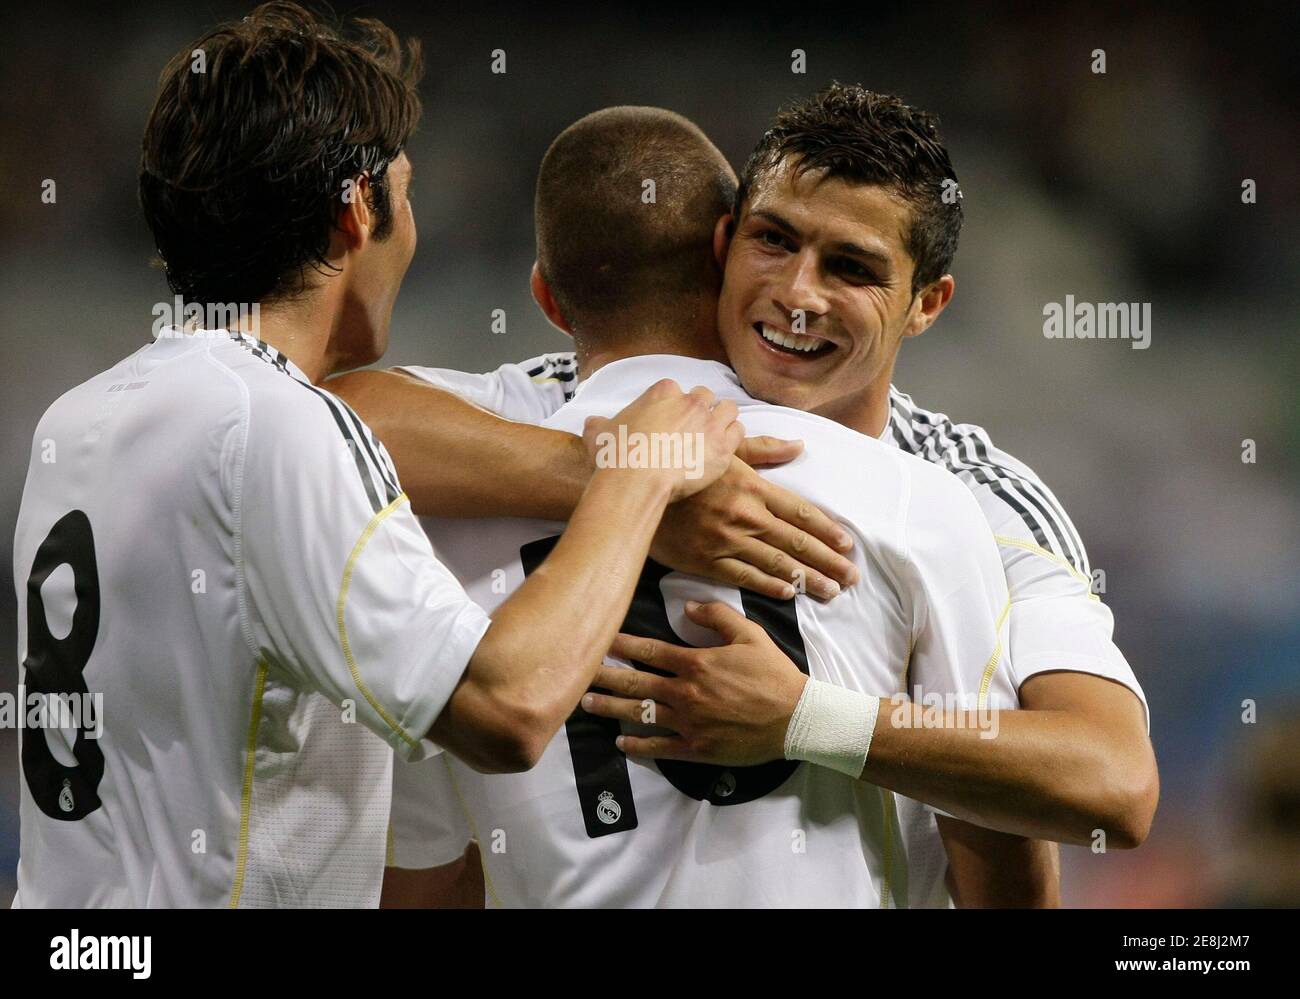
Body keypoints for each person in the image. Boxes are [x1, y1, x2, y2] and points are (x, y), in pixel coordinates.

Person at [335, 87, 1156, 905]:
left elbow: (1112, 782)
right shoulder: (567, 409)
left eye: (853, 268)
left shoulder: (976, 492)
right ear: (721, 245)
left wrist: (813, 719)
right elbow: (339, 421)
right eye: (775, 240)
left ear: (926, 304)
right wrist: (639, 480)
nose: (799, 294)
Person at [10, 3, 744, 908]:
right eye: (405, 192)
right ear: (357, 209)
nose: (414, 230)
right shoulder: (281, 423)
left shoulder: (75, 421)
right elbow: (507, 707)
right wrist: (635, 477)